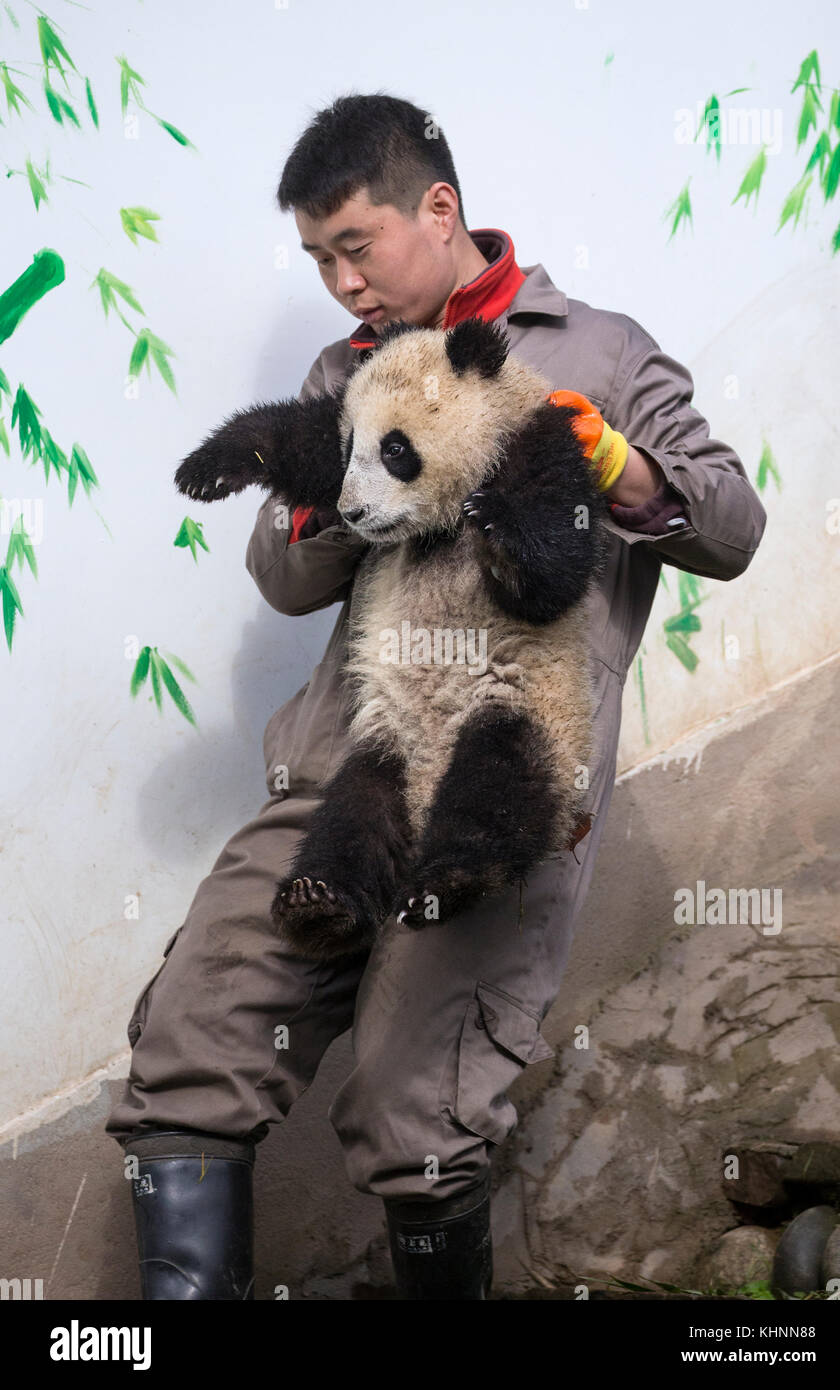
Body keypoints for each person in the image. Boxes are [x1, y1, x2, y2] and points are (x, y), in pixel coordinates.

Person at [105, 91, 767, 1301]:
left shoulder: (598, 350)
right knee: (189, 1045)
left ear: (438, 209)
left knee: (418, 1113)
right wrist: (339, 478)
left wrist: (614, 465)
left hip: (495, 793)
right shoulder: (337, 372)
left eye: (356, 246)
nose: (342, 284)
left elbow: (729, 524)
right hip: (336, 777)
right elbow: (282, 575)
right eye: (318, 261)